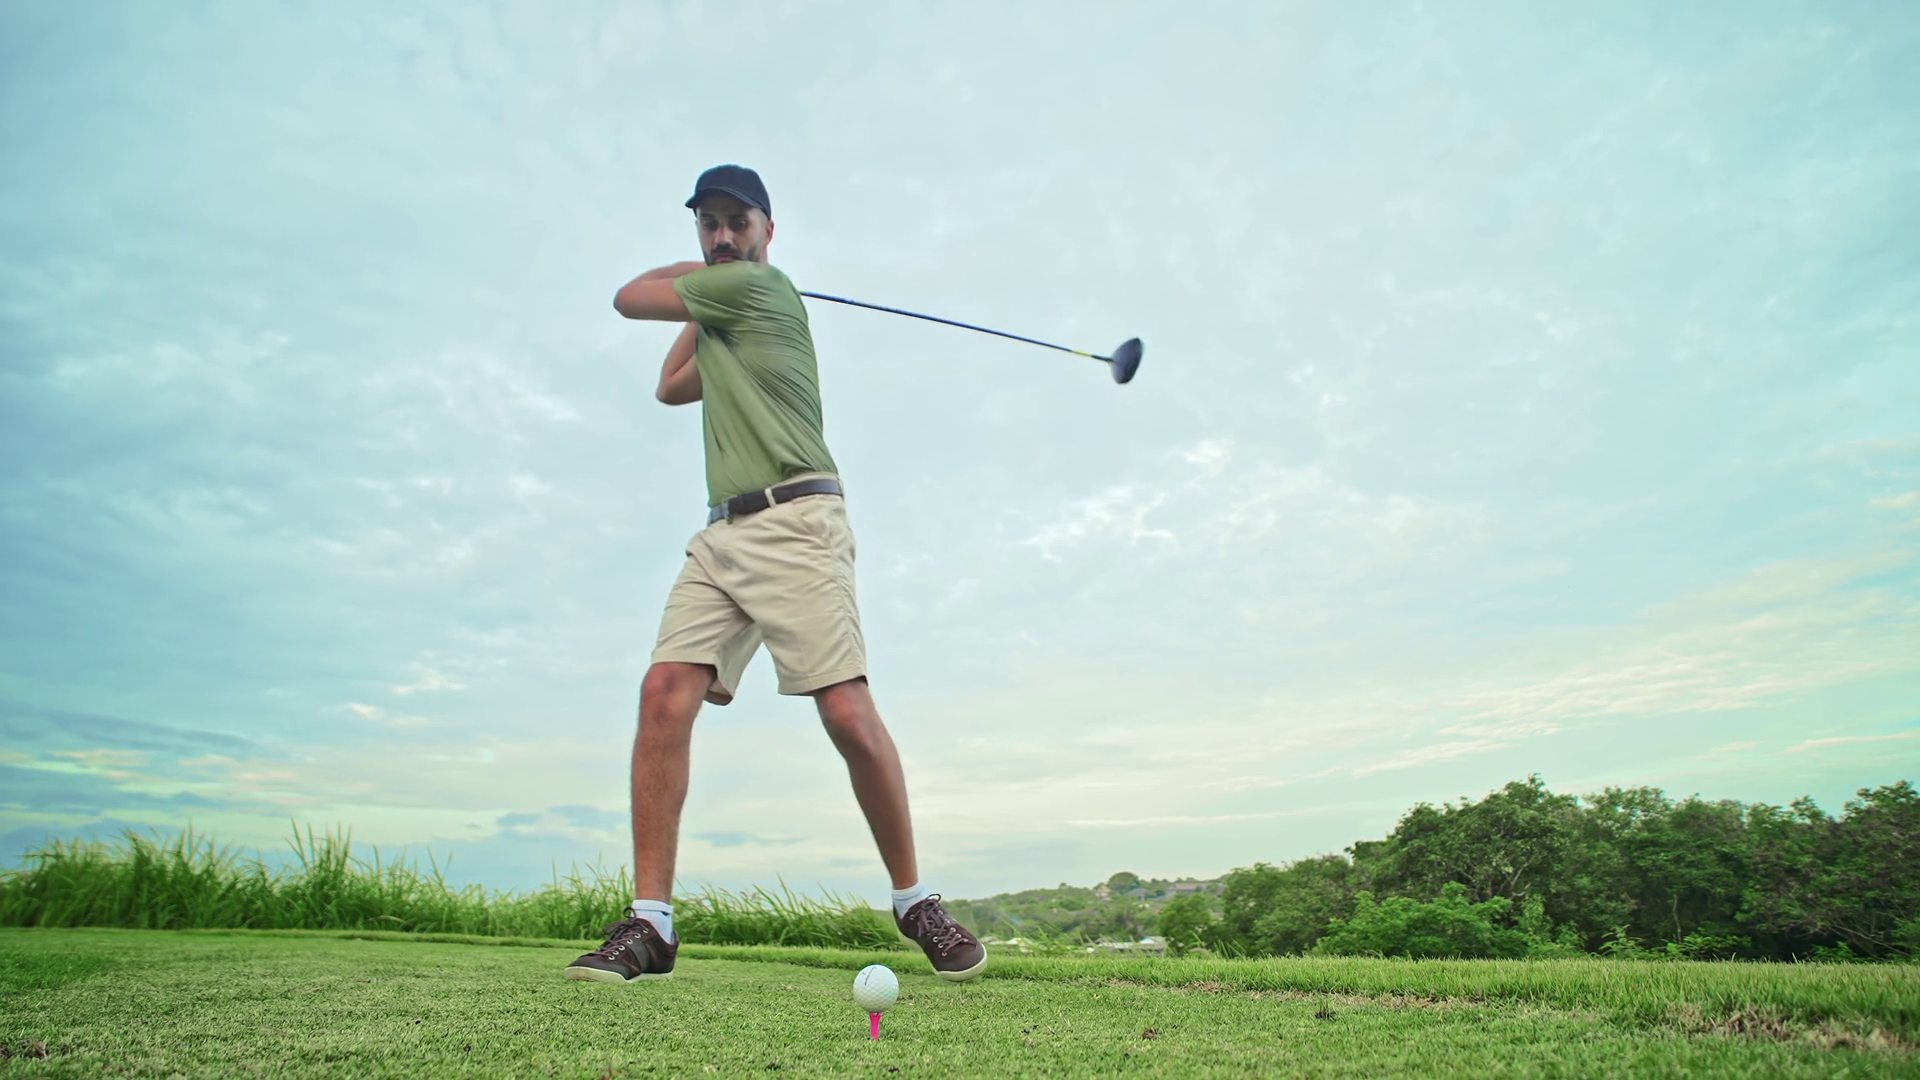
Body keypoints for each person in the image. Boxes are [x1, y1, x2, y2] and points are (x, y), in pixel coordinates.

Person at [564, 164, 986, 985]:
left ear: (768, 229)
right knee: (663, 691)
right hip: (723, 533)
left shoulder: (764, 291)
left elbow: (627, 297)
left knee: (846, 713)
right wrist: (708, 301)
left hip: (799, 521)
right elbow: (669, 387)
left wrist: (716, 281)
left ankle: (914, 901)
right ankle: (651, 925)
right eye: (707, 224)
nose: (721, 236)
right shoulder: (730, 307)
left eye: (737, 223)